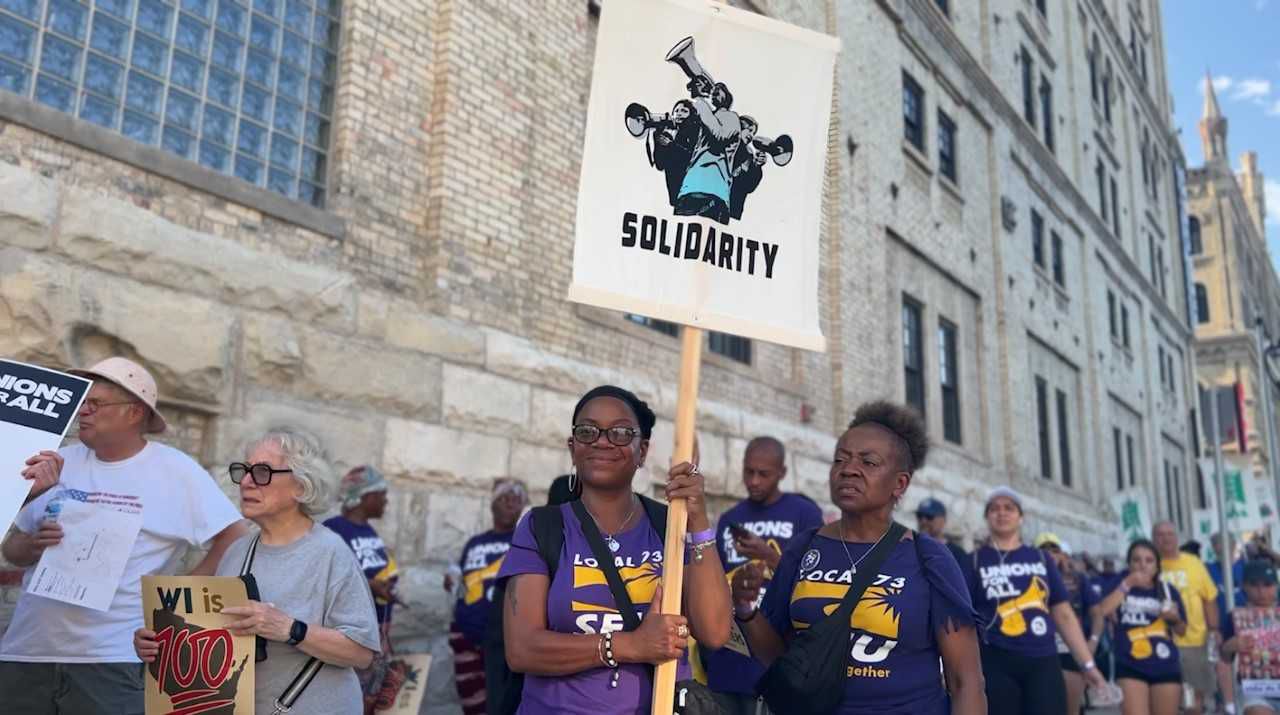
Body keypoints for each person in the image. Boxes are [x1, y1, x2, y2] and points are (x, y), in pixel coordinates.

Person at [0, 357, 246, 715]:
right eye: (82, 401)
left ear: (134, 412)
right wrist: (33, 542)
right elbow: (13, 551)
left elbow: (235, 537)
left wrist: (173, 602)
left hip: (113, 658)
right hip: (26, 653)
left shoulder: (175, 471)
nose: (82, 411)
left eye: (95, 403)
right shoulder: (56, 461)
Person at [732, 401, 986, 713]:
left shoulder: (929, 557)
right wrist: (745, 609)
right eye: (840, 459)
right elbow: (779, 660)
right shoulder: (804, 548)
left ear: (900, 483)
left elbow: (966, 681)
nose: (849, 469)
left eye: (868, 462)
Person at [497, 385, 730, 713]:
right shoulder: (542, 527)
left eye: (620, 433)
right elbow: (522, 649)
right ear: (573, 447)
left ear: (642, 451)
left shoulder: (671, 525)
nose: (602, 441)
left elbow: (715, 632)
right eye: (588, 431)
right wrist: (630, 645)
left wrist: (698, 520)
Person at [133, 429, 381, 713]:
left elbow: (361, 653)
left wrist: (290, 629)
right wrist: (162, 644)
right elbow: (214, 639)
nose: (246, 482)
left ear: (302, 487)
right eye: (245, 470)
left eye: (262, 472)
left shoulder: (331, 552)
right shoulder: (236, 552)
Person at [702, 435, 822, 715]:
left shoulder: (804, 514)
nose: (754, 481)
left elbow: (815, 584)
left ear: (782, 472)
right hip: (728, 662)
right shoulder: (730, 518)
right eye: (749, 471)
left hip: (776, 662)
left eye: (763, 474)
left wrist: (768, 556)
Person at [965, 486, 1106, 714]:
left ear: (1020, 517)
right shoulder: (973, 561)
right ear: (987, 517)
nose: (1002, 513)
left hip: (1043, 661)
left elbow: (1064, 614)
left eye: (1009, 508)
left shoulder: (1041, 558)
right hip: (995, 661)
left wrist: (1088, 664)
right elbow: (963, 621)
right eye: (995, 508)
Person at [444, 477, 528, 715]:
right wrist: (451, 580)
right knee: (474, 706)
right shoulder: (475, 543)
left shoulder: (526, 541)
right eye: (504, 498)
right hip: (466, 638)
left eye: (516, 500)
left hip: (506, 642)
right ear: (492, 504)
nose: (510, 504)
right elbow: (459, 577)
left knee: (505, 705)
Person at [323, 464, 400, 714]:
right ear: (366, 495)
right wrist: (370, 585)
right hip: (351, 635)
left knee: (372, 698)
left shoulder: (369, 531)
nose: (386, 501)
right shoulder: (334, 529)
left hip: (377, 630)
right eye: (382, 494)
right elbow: (326, 576)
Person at [1094, 539, 1187, 715]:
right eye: (1136, 560)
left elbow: (1182, 631)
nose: (1142, 565)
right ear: (1129, 564)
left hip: (1165, 662)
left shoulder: (1168, 590)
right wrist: (1128, 584)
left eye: (1149, 560)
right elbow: (1102, 611)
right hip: (1130, 663)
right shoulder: (1119, 584)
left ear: (1157, 567)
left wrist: (1175, 620)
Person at [1153, 520, 1219, 715]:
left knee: (1193, 698)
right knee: (1166, 698)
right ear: (1153, 539)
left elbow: (1209, 598)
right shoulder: (1149, 564)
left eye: (1170, 534)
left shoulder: (1193, 562)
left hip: (1193, 640)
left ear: (1177, 538)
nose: (1166, 539)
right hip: (1158, 642)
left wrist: (1214, 629)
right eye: (1160, 535)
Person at [1036, 532, 1097, 715]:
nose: (1050, 554)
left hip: (1069, 650)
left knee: (1071, 709)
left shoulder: (1077, 579)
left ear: (1062, 554)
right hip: (1039, 651)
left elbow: (1098, 612)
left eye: (1054, 550)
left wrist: (1093, 641)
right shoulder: (1024, 578)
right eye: (1044, 550)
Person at [1221, 560, 1280, 714]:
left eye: (1267, 585)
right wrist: (1230, 646)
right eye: (1254, 585)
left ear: (1276, 586)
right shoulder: (1235, 617)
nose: (1261, 591)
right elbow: (1224, 659)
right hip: (1255, 689)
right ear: (1244, 586)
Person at [916, 496, 968, 565]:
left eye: (929, 517)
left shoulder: (957, 555)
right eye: (919, 516)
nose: (923, 521)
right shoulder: (909, 547)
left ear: (943, 520)